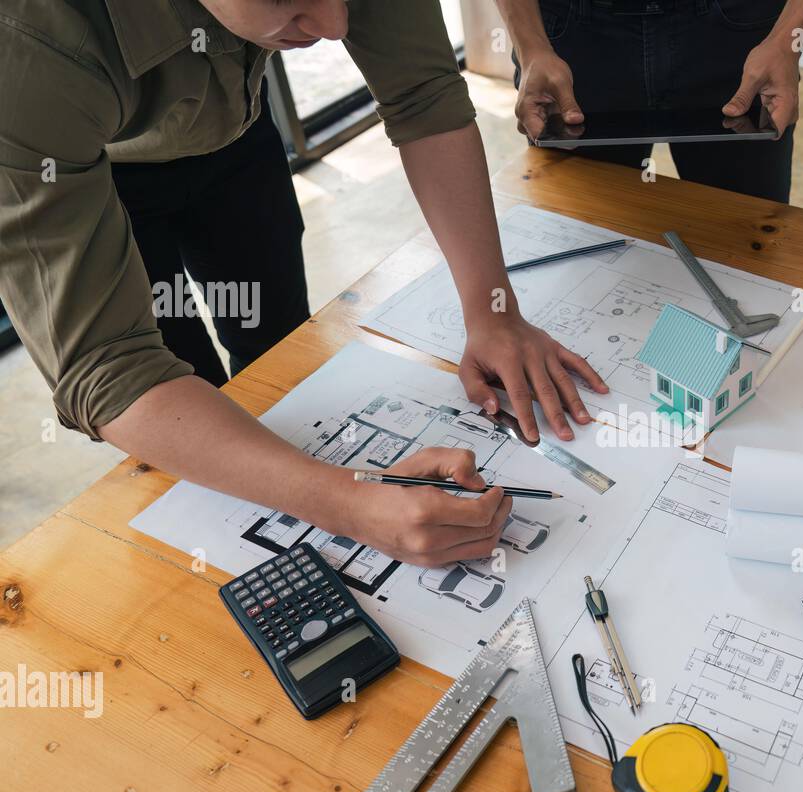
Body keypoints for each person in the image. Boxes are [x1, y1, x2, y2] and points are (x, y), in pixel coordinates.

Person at [0, 0, 609, 569]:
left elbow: (423, 98)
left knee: (273, 347)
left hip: (235, 134)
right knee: (178, 395)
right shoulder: (27, 50)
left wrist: (493, 311)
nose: (336, 24)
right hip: (96, 169)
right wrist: (350, 504)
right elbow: (112, 369)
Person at [496, 0, 803, 203]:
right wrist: (530, 47)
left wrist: (787, 41)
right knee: (582, 242)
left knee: (746, 243)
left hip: (736, 31)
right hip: (572, 41)